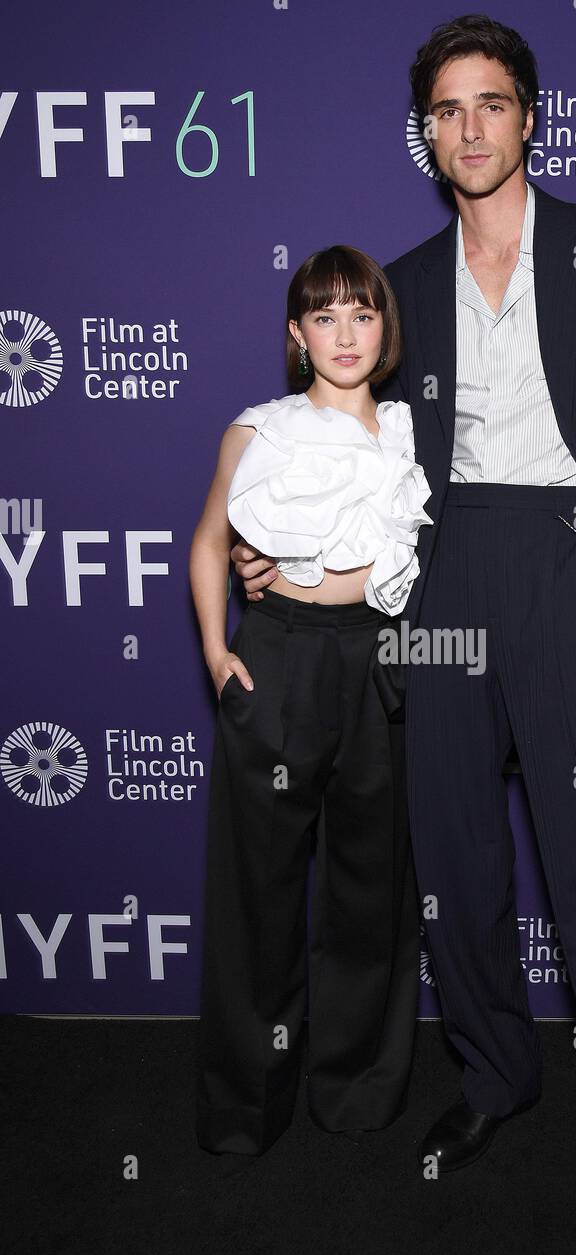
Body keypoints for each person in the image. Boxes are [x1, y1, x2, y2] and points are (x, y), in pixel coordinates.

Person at [230, 15, 576, 1255]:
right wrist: (279, 554)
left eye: (490, 103)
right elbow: (343, 443)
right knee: (457, 856)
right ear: (426, 132)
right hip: (442, 571)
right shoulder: (403, 283)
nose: (469, 127)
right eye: (446, 109)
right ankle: (494, 1075)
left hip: (571, 560)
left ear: (529, 116)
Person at [189, 244, 432, 1161]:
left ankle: (356, 1090)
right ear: (296, 334)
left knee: (371, 889)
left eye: (361, 314)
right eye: (324, 316)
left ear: (384, 327)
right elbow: (209, 540)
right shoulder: (260, 431)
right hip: (281, 655)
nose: (345, 334)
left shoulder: (415, 434)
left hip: (381, 660)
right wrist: (216, 652)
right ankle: (244, 1105)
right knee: (258, 890)